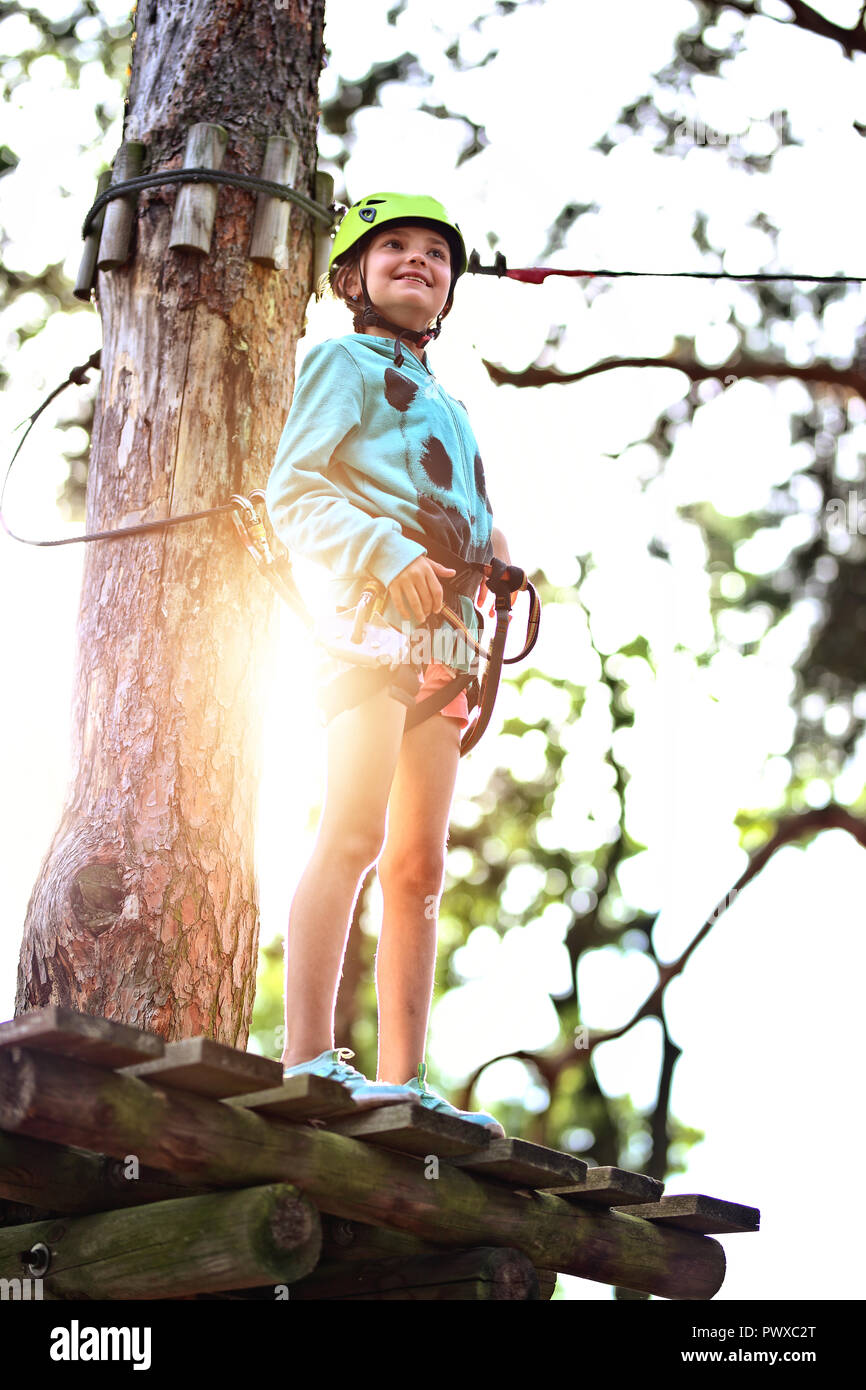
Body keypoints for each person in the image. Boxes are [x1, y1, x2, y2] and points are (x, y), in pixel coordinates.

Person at [265, 191, 511, 1134]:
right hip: (365, 625)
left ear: (450, 287)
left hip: (449, 643)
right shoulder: (339, 360)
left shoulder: (450, 402)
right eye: (394, 247)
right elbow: (296, 486)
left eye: (436, 254)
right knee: (354, 833)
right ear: (352, 277)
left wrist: (497, 555)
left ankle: (407, 1081)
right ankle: (306, 1060)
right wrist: (382, 549)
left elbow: (459, 504)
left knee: (419, 865)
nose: (418, 262)